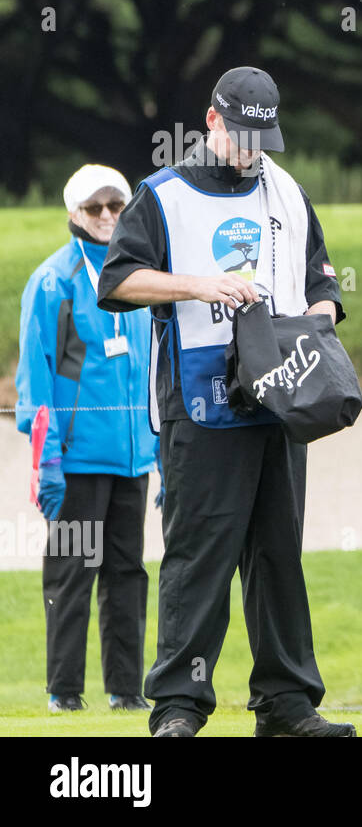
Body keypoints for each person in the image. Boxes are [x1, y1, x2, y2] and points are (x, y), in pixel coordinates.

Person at [98, 66, 354, 738]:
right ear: (212, 120)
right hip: (200, 404)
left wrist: (314, 326)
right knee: (199, 556)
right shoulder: (162, 195)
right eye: (241, 134)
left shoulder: (287, 192)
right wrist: (199, 286)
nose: (251, 148)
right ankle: (179, 706)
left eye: (261, 137)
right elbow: (120, 280)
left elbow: (323, 285)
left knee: (278, 555)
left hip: (280, 398)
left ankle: (287, 704)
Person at [16, 165, 158, 715]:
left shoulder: (143, 276)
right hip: (75, 460)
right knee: (73, 574)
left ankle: (127, 691)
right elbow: (36, 373)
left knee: (128, 573)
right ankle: (64, 693)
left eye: (115, 206)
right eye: (94, 208)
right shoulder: (54, 281)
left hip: (132, 458)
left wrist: (161, 450)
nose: (106, 217)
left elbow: (151, 369)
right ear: (74, 213)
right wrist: (46, 455)